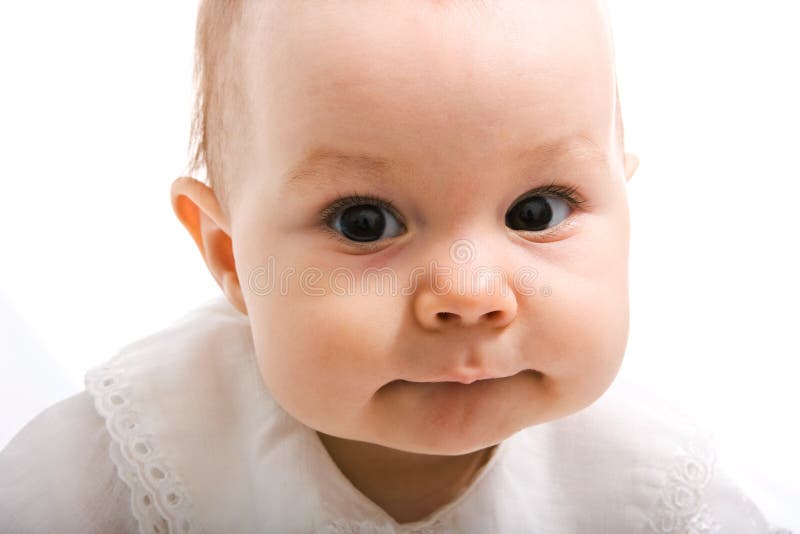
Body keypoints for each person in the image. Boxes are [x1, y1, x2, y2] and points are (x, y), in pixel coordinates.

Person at [0, 1, 789, 532]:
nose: (470, 297)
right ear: (230, 257)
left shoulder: (658, 493)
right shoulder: (120, 472)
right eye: (365, 223)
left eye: (536, 212)